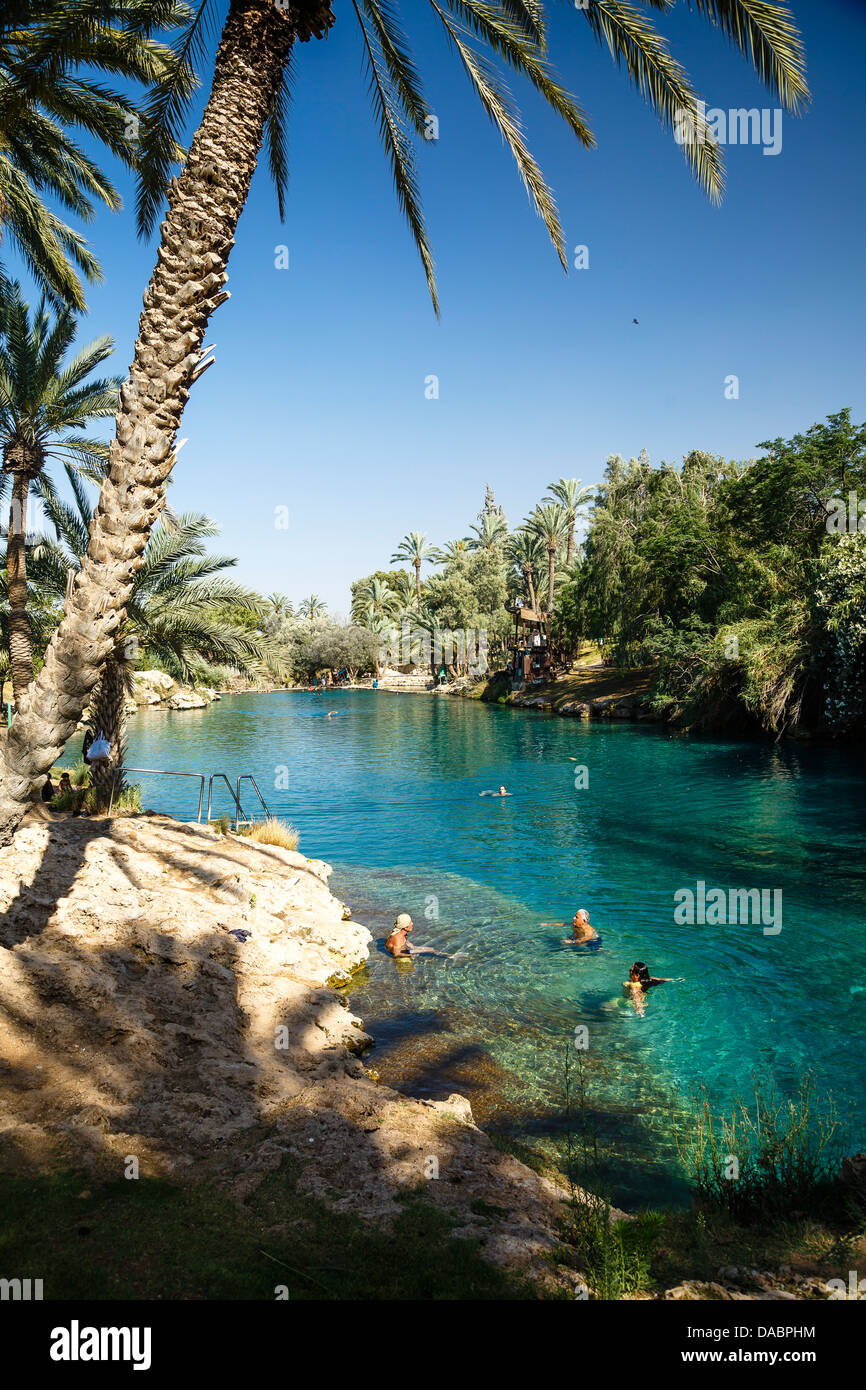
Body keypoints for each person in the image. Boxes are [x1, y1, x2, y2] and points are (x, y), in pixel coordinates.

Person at [384, 913, 450, 958]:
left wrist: (411, 946)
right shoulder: (397, 939)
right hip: (402, 954)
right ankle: (450, 957)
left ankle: (448, 956)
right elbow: (396, 954)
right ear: (405, 927)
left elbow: (405, 942)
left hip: (403, 949)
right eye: (410, 922)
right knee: (431, 950)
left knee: (431, 949)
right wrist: (410, 955)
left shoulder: (401, 933)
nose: (412, 923)